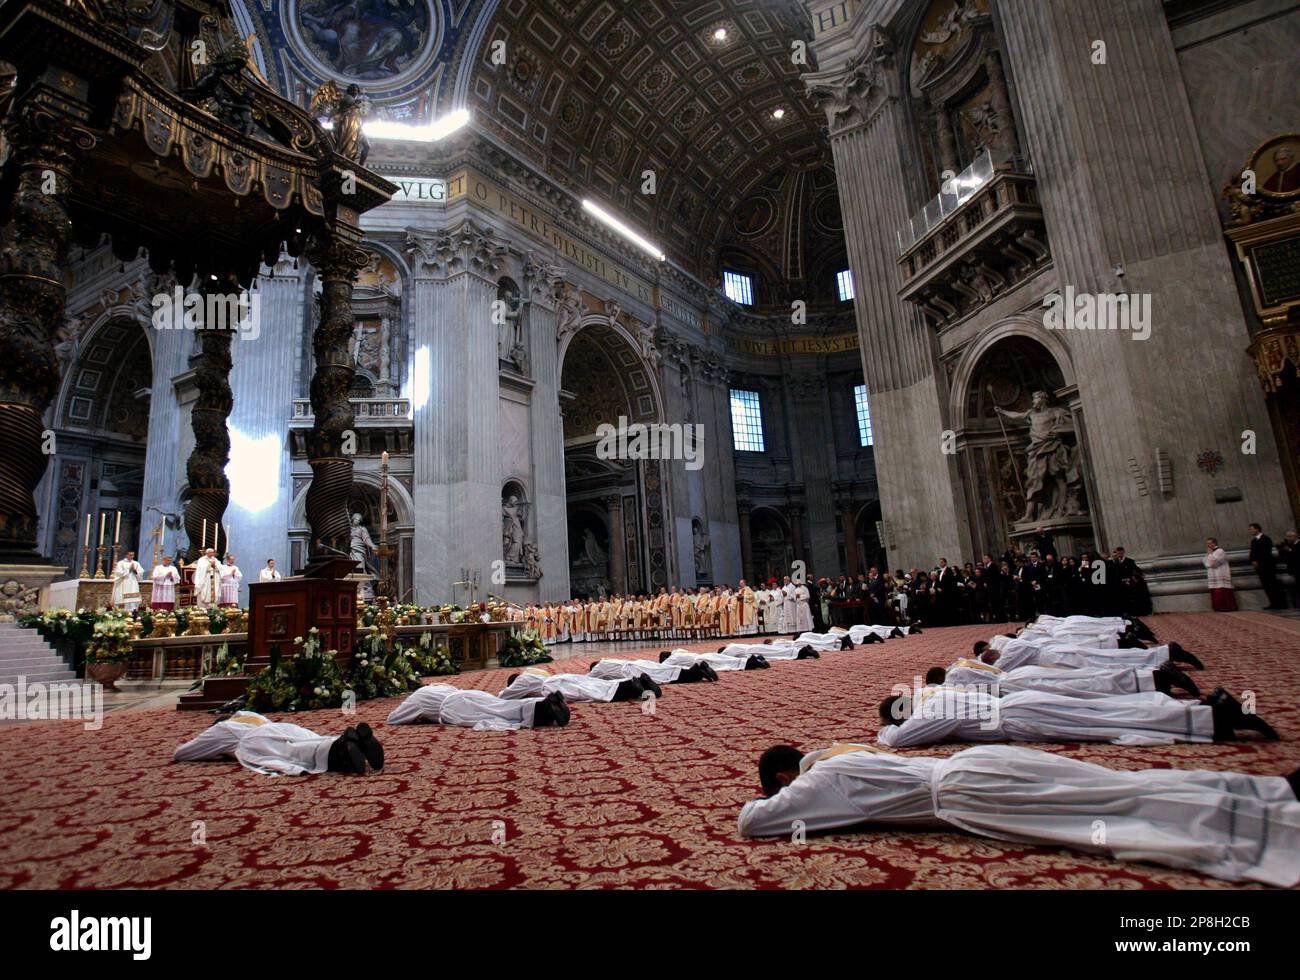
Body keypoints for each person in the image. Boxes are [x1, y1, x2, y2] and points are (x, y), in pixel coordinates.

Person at [738, 742, 1300, 887]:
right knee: (1118, 788)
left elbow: (755, 824)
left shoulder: (821, 779)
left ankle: (1264, 831)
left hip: (973, 795)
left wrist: (762, 800)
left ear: (789, 777)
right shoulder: (843, 752)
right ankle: (1265, 793)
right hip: (979, 764)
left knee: (1112, 817)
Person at [876, 687, 1276, 748]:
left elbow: (903, 740)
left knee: (1111, 725)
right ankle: (1207, 708)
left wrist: (885, 733)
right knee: (1110, 711)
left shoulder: (931, 710)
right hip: (1023, 702)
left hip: (1020, 719)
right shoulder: (938, 694)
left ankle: (1217, 721)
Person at [173, 711, 383, 776]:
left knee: (296, 753)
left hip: (257, 740)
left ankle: (341, 751)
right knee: (309, 739)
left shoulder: (221, 730)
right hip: (282, 727)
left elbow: (182, 753)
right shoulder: (249, 714)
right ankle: (351, 741)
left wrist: (217, 752)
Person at [386, 684, 571, 729]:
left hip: (453, 707)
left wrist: (421, 717)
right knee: (502, 707)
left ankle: (544, 710)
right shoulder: (436, 687)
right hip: (469, 693)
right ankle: (542, 705)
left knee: (500, 717)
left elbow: (393, 719)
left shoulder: (416, 699)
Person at [500, 666, 661, 703]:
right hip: (563, 677)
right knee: (597, 685)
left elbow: (505, 696)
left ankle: (632, 687)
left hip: (555, 686)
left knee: (595, 693)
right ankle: (639, 683)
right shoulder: (533, 671)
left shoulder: (522, 680)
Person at [1249, 523, 1286, 609]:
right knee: (1266, 585)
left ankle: (1280, 603)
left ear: (1257, 529)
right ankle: (1273, 602)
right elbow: (1252, 553)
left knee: (1273, 584)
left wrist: (1257, 560)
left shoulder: (1266, 539)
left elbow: (1266, 552)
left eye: (1251, 529)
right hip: (1259, 567)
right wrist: (1253, 560)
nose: (1250, 531)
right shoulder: (1254, 541)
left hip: (1267, 565)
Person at [1204, 536, 1236, 612]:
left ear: (1214, 543)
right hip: (1213, 574)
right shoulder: (1210, 552)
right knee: (1215, 590)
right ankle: (1217, 607)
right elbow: (1205, 563)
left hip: (1220, 573)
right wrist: (1209, 556)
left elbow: (1214, 563)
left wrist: (1210, 555)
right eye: (1207, 543)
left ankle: (1225, 607)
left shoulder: (1220, 551)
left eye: (1209, 543)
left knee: (1221, 590)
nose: (1208, 545)